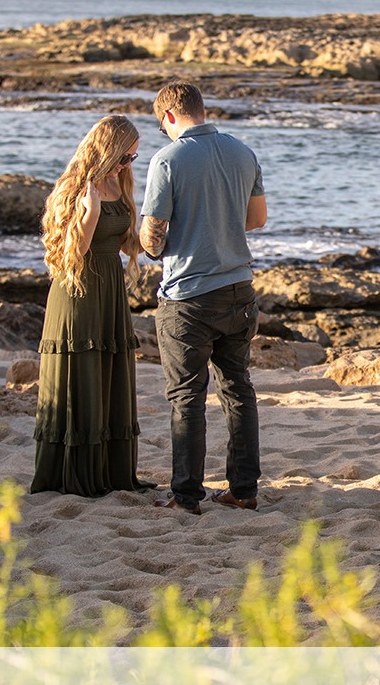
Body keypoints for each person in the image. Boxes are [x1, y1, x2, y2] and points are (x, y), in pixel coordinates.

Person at [139, 81, 266, 515]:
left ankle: (186, 495)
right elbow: (258, 219)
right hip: (239, 289)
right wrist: (218, 226)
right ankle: (244, 490)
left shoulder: (167, 160)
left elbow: (153, 241)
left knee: (187, 398)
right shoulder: (242, 152)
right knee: (238, 390)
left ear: (169, 117)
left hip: (189, 296)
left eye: (161, 126)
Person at [30, 114, 154, 497]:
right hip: (78, 292)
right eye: (123, 157)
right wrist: (92, 212)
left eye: (132, 158)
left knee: (110, 375)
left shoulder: (121, 183)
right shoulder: (74, 188)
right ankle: (77, 474)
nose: (127, 165)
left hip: (111, 291)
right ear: (107, 149)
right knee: (83, 374)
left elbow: (128, 244)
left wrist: (161, 228)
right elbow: (74, 253)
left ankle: (112, 472)